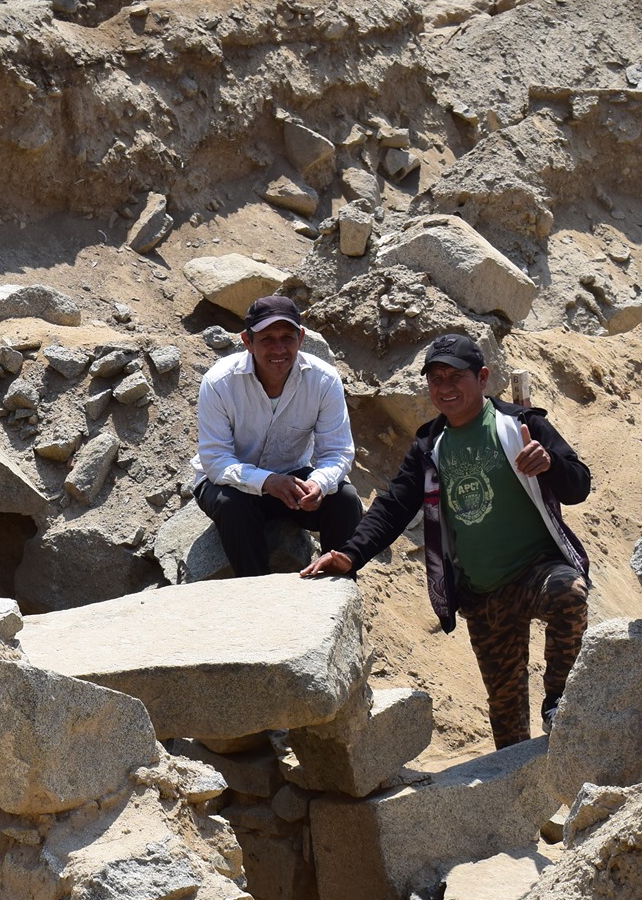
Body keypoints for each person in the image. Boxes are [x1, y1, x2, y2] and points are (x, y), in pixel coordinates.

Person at [301, 334, 591, 749]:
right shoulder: (429, 447)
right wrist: (350, 553)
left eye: (455, 376)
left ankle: (560, 699)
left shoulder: (521, 424)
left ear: (483, 378)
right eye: (436, 379)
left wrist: (550, 464)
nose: (445, 388)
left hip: (535, 571)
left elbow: (578, 486)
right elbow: (394, 506)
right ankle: (519, 800)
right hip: (482, 593)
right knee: (506, 716)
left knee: (569, 592)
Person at [192, 294, 361, 578]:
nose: (279, 348)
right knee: (231, 506)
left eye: (287, 337)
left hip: (292, 481)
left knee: (345, 499)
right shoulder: (219, 382)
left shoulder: (323, 380)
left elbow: (338, 452)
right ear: (247, 341)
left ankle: (337, 589)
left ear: (302, 338)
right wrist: (266, 481)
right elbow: (215, 459)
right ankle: (258, 594)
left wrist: (319, 483)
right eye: (267, 338)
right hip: (233, 485)